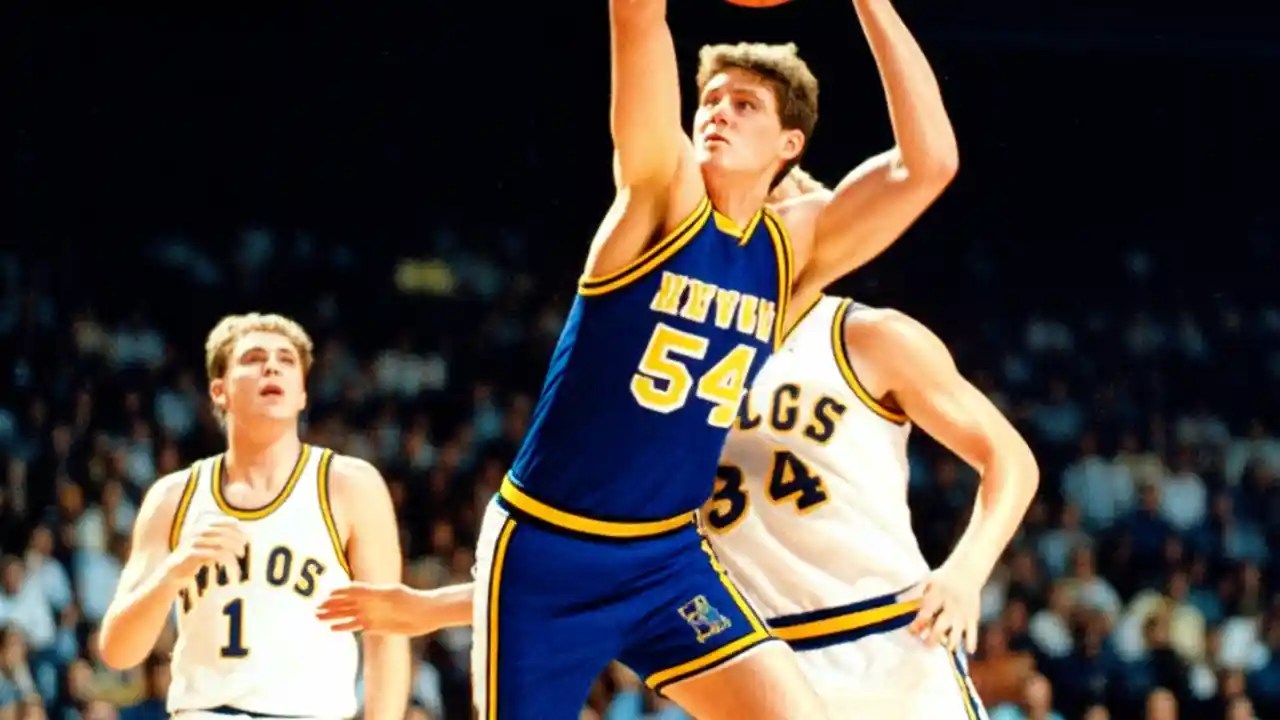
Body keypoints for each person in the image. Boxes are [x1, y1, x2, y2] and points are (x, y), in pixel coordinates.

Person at [321, 0, 958, 714]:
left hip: (666, 561)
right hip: (547, 548)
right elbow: (636, 18)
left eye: (744, 104)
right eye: (710, 100)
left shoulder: (792, 250)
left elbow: (929, 163)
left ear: (790, 144)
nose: (717, 113)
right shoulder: (660, 198)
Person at [703, 164, 1036, 718]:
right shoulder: (687, 349)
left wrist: (966, 571)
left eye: (778, 198)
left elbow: (1010, 459)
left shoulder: (866, 335)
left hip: (885, 637)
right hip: (759, 660)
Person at [97, 313, 409, 720]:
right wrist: (173, 572)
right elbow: (119, 652)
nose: (272, 367)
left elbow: (387, 633)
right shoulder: (174, 497)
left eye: (286, 360)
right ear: (219, 390)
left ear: (302, 394)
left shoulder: (350, 486)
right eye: (254, 358)